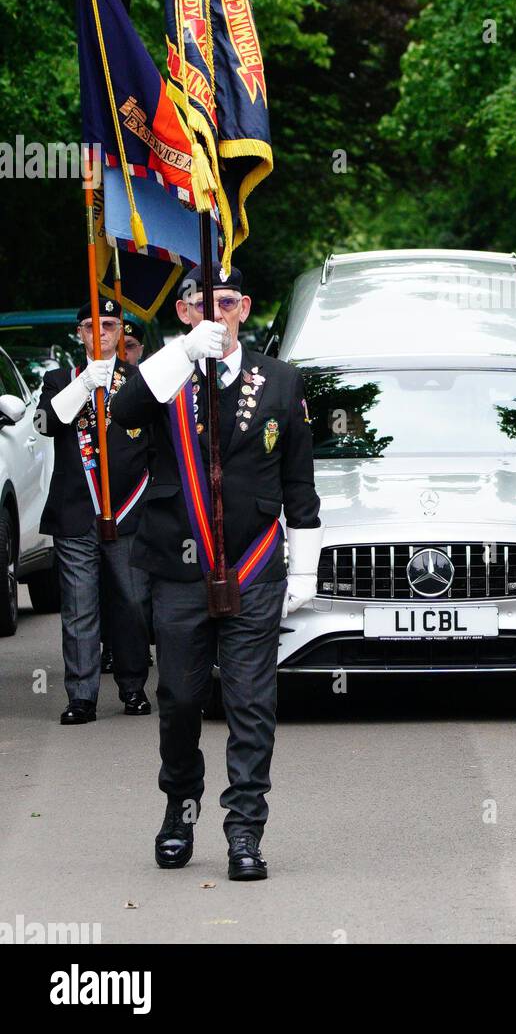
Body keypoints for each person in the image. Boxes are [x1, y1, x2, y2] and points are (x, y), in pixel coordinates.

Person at [111, 265, 322, 881]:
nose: (216, 314)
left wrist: (304, 566)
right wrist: (179, 354)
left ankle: (245, 829)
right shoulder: (165, 376)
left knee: (252, 702)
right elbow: (123, 409)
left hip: (254, 567)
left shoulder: (280, 381)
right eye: (202, 305)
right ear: (183, 313)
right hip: (179, 568)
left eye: (226, 303)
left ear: (245, 307)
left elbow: (298, 479)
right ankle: (180, 801)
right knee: (178, 698)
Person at [37, 299, 152, 723]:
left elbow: (156, 447)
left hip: (129, 510)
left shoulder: (140, 380)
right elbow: (48, 423)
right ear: (79, 333)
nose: (100, 333)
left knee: (132, 603)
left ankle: (133, 687)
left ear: (121, 330)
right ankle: (82, 696)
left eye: (109, 324)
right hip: (77, 512)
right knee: (79, 606)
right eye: (91, 325)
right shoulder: (59, 380)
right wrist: (86, 382)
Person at [101, 317, 148, 675]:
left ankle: (134, 655)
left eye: (129, 347)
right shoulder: (86, 382)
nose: (123, 353)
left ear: (141, 350)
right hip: (91, 507)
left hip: (136, 506)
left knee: (134, 593)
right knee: (98, 591)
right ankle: (109, 647)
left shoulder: (147, 386)